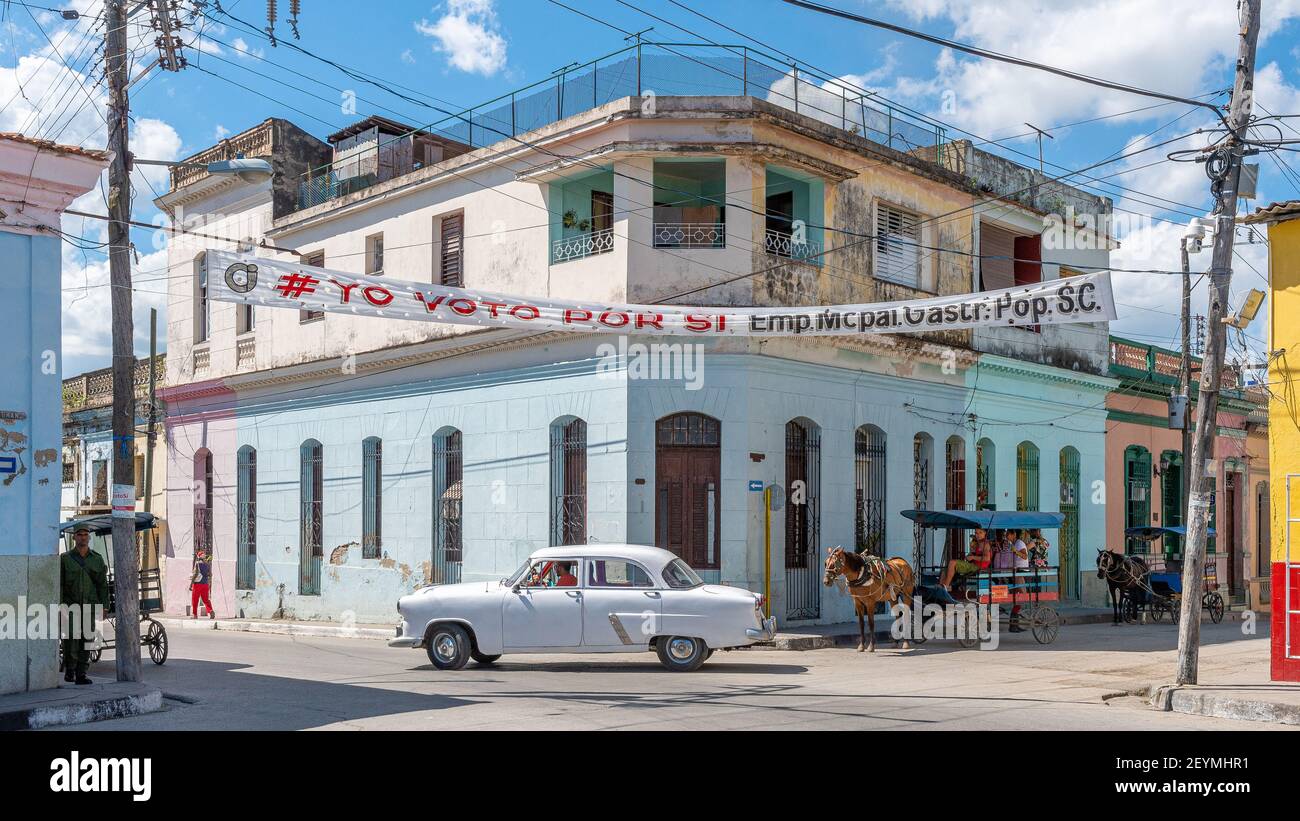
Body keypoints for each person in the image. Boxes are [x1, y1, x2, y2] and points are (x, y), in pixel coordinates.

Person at [60, 525, 109, 685]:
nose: (82, 537)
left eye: (85, 534)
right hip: (70, 605)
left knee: (87, 639)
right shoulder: (65, 559)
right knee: (71, 639)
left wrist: (105, 606)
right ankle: (71, 669)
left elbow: (102, 585)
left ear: (89, 537)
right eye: (79, 534)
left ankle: (81, 673)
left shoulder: (97, 559)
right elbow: (60, 584)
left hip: (90, 605)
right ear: (74, 537)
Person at [191, 549, 214, 619]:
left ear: (198, 557)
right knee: (206, 599)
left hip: (197, 584)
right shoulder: (207, 564)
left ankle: (195, 615)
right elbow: (210, 574)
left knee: (195, 600)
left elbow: (195, 574)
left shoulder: (197, 564)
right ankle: (210, 610)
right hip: (205, 584)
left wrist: (191, 583)